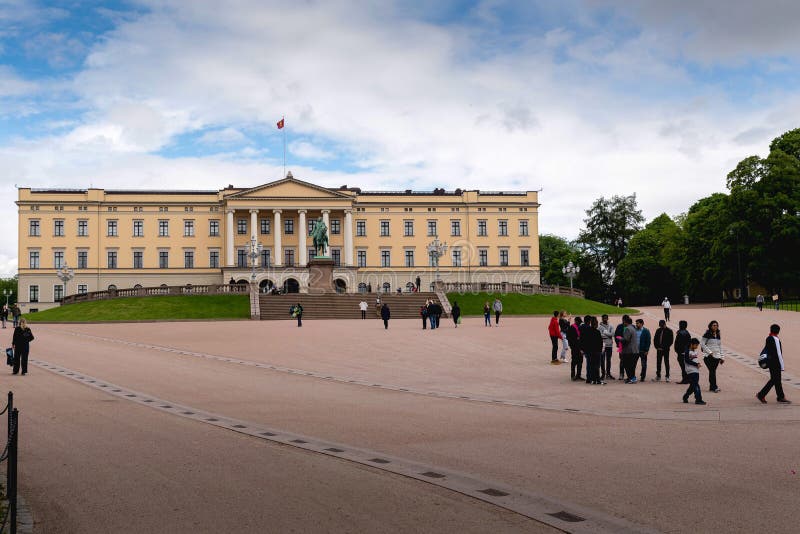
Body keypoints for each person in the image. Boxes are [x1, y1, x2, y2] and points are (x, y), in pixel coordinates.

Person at [756, 324, 791, 404]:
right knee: (774, 380)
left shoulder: (768, 338)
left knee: (776, 380)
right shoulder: (775, 339)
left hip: (770, 362)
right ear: (778, 331)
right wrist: (782, 365)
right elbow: (779, 353)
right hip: (775, 362)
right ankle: (761, 394)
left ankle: (780, 396)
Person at [701, 320, 724, 393]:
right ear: (710, 326)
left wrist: (722, 357)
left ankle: (712, 387)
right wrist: (710, 352)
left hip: (717, 357)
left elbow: (720, 346)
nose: (715, 326)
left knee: (712, 371)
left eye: (716, 325)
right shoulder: (707, 334)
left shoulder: (718, 335)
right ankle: (714, 387)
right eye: (714, 325)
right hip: (708, 356)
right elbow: (702, 344)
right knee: (712, 371)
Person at [682, 338, 706, 405]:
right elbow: (687, 360)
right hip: (690, 371)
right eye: (696, 345)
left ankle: (685, 396)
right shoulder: (687, 351)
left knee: (693, 386)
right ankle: (698, 399)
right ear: (691, 344)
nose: (696, 347)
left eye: (697, 345)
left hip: (696, 370)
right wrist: (696, 364)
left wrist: (698, 364)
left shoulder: (695, 352)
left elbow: (694, 360)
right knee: (696, 385)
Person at [585, 317, 605, 384]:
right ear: (595, 324)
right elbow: (600, 342)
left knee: (590, 365)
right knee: (596, 366)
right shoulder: (597, 332)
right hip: (596, 351)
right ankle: (597, 379)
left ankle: (590, 378)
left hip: (589, 351)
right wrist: (600, 350)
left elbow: (586, 341)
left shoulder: (587, 331)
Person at [620, 315, 638, 383]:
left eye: (624, 322)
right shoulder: (633, 328)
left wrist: (620, 339)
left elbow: (626, 340)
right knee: (631, 365)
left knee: (627, 365)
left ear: (626, 322)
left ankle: (631, 378)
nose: (623, 323)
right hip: (634, 350)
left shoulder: (627, 329)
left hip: (629, 350)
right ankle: (631, 377)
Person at [674, 320, 691, 384]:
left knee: (683, 366)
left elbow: (679, 343)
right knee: (684, 366)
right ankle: (687, 379)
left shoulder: (681, 333)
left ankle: (685, 379)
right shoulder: (686, 333)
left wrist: (679, 351)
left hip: (682, 352)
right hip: (684, 352)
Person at [598, 314, 615, 380]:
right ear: (602, 319)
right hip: (602, 345)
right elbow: (599, 335)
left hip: (609, 345)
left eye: (606, 318)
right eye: (603, 318)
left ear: (607, 318)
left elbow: (612, 334)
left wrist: (604, 333)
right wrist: (608, 335)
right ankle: (603, 374)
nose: (605, 319)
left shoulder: (611, 326)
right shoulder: (599, 327)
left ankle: (608, 373)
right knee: (602, 360)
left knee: (609, 360)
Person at [567, 316, 583, 381]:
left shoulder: (580, 327)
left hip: (580, 347)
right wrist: (572, 345)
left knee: (580, 361)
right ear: (576, 321)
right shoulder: (572, 327)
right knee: (574, 361)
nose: (579, 323)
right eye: (579, 322)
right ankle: (573, 375)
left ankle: (578, 375)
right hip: (574, 347)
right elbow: (568, 337)